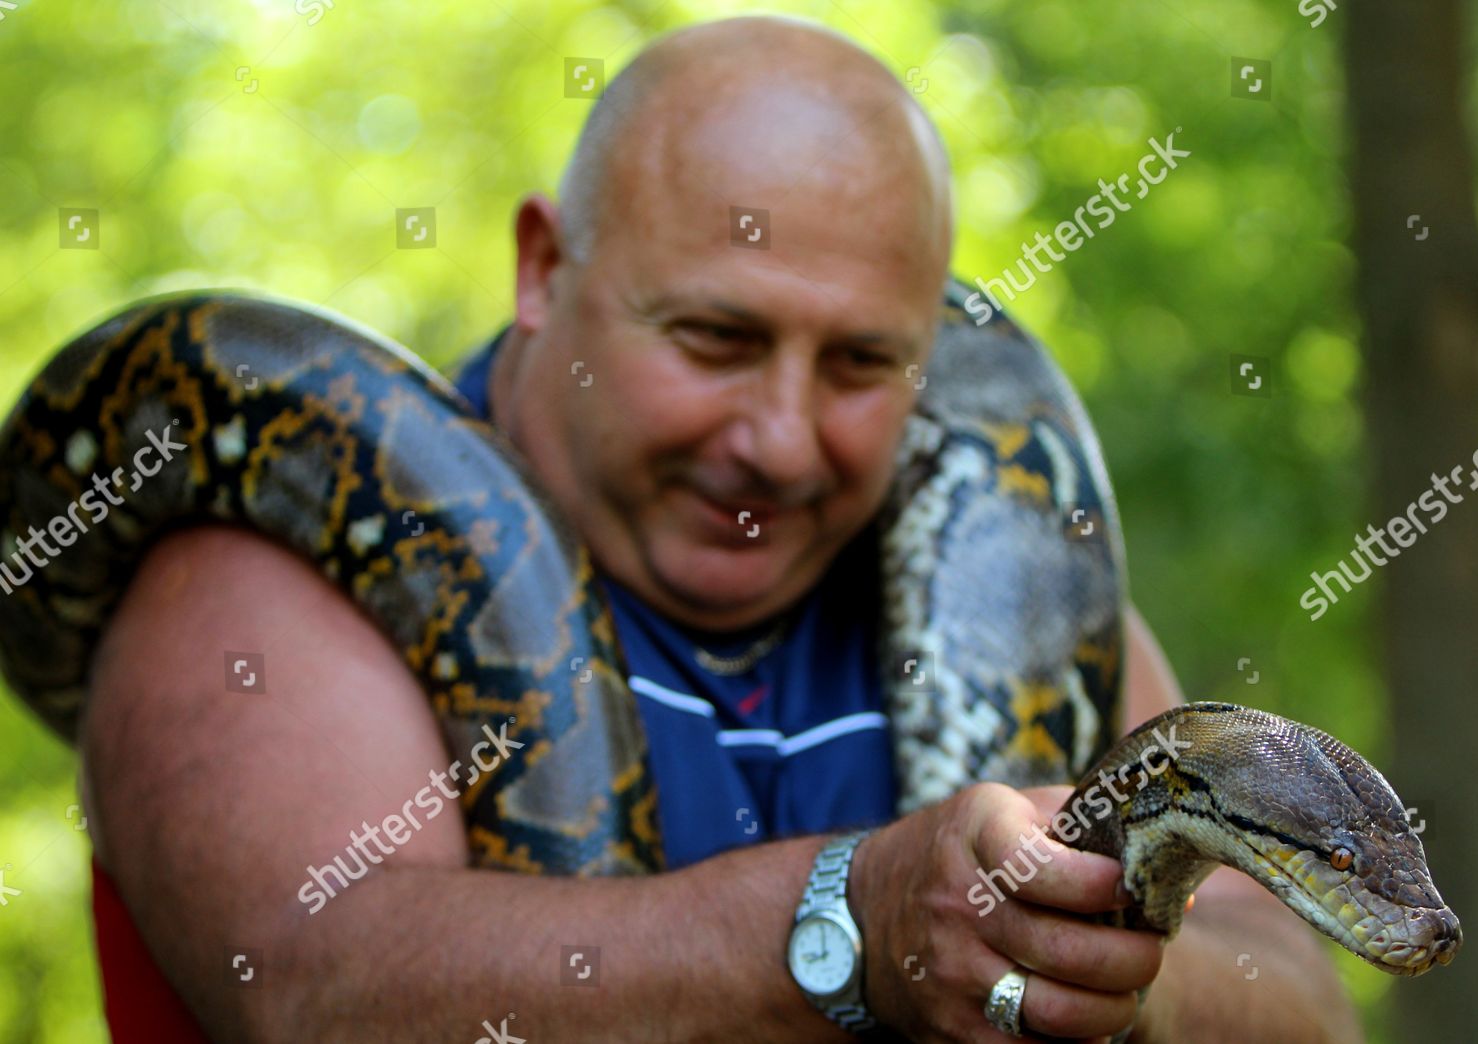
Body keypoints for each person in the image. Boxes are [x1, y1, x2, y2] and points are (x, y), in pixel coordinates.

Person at [80, 14, 1360, 1042]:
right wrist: (849, 923)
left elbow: (1299, 1002)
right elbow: (312, 982)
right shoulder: (260, 560)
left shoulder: (1031, 583)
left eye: (864, 364)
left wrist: (1110, 981)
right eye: (715, 338)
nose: (783, 437)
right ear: (543, 268)